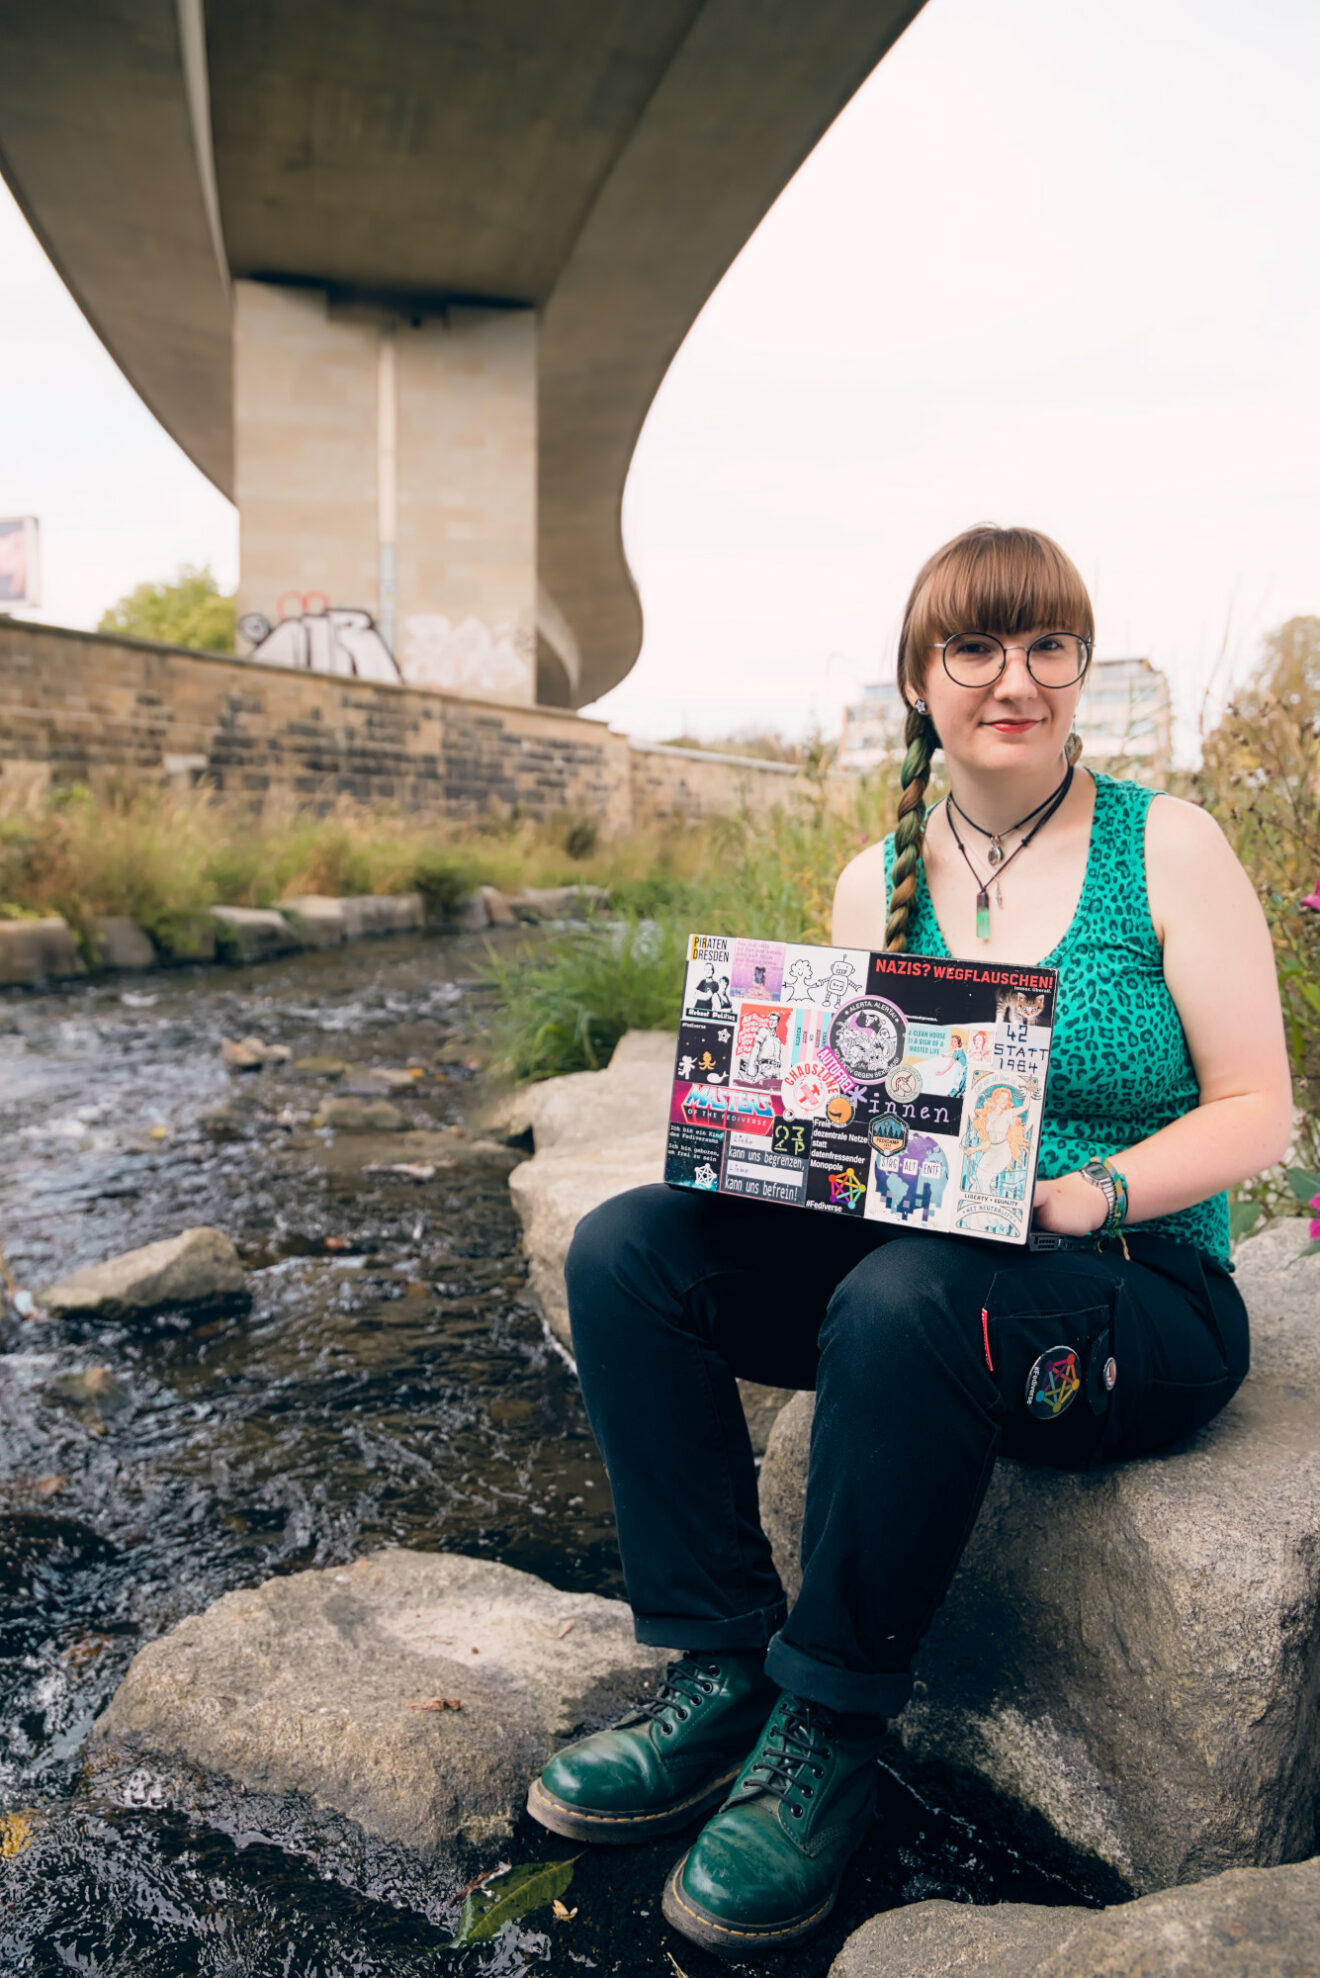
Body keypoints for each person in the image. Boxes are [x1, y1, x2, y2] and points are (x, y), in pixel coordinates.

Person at [525, 525, 1293, 1957]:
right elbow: (876, 1144)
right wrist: (777, 1155)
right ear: (919, 679)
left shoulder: (1165, 846)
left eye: (1049, 642)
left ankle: (829, 1727)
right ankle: (721, 1666)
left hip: (1135, 1292)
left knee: (907, 1295)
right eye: (979, 647)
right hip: (936, 1271)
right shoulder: (875, 872)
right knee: (634, 1247)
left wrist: (1088, 1193)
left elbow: (1262, 1111)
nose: (1020, 677)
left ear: (1080, 662)